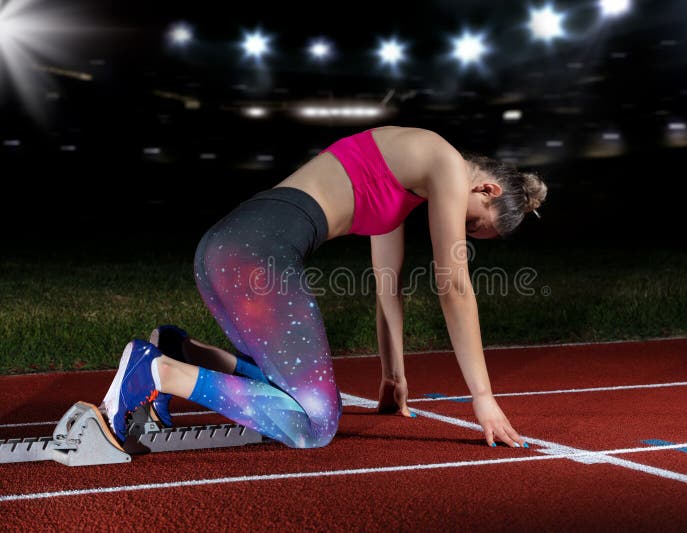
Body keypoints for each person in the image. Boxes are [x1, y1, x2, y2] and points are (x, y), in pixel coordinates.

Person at [101, 125, 547, 449]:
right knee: (313, 425)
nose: (458, 228)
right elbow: (453, 286)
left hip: (228, 248)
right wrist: (483, 398)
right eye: (472, 222)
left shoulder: (406, 178)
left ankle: (179, 350)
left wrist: (393, 376)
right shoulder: (443, 159)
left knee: (289, 391)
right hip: (257, 254)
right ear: (485, 188)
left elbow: (386, 286)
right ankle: (156, 372)